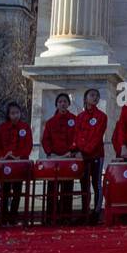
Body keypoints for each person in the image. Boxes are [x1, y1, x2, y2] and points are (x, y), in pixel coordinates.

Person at [41, 92, 82, 222]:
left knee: (67, 188)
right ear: (56, 105)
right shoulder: (50, 122)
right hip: (54, 160)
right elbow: (45, 140)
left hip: (69, 159)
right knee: (52, 189)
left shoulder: (75, 120)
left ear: (68, 104)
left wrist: (72, 151)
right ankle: (50, 216)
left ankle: (66, 216)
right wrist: (50, 153)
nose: (62, 104)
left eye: (65, 101)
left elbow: (78, 137)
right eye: (60, 102)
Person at [0, 100, 33, 225]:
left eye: (17, 112)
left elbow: (28, 145)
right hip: (5, 164)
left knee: (17, 192)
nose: (15, 115)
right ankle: (3, 217)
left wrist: (21, 157)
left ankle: (13, 216)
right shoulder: (2, 128)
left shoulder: (25, 127)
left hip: (19, 164)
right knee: (5, 192)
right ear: (8, 114)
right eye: (12, 113)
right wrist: (2, 156)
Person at [75, 88, 108, 223]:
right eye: (92, 95)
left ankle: (97, 211)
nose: (95, 98)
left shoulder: (101, 116)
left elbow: (97, 136)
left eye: (97, 96)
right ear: (85, 98)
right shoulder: (80, 117)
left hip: (96, 155)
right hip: (83, 156)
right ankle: (84, 211)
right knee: (84, 184)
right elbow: (77, 135)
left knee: (96, 183)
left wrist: (85, 150)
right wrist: (77, 150)